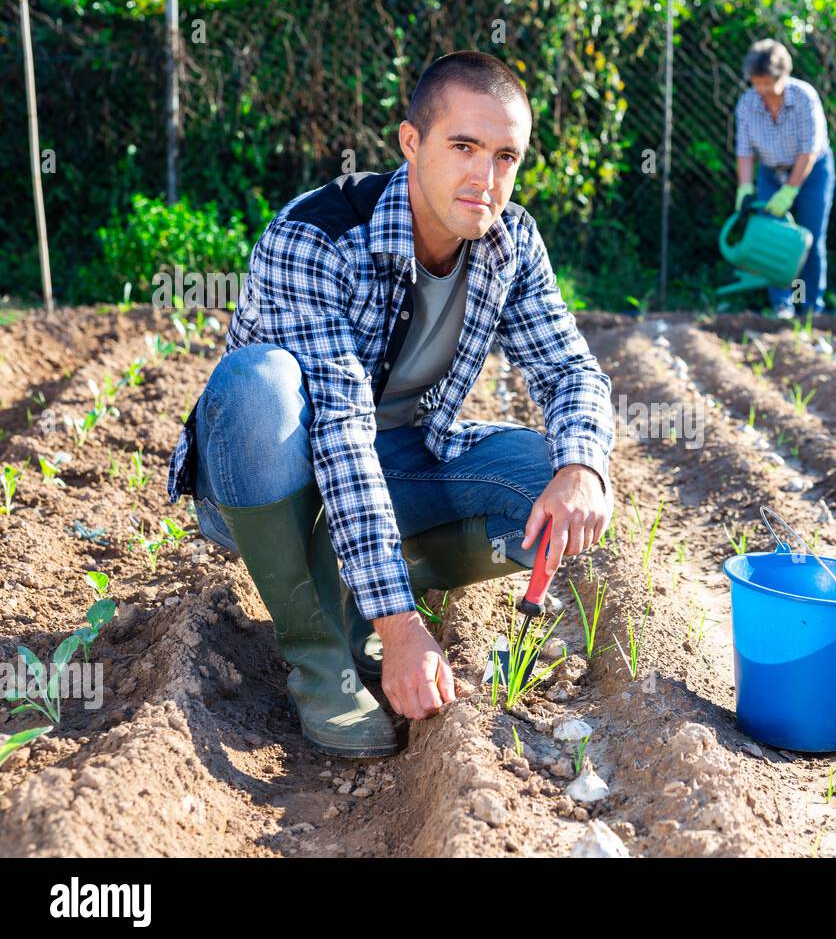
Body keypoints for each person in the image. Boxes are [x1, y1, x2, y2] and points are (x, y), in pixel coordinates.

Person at [165, 51, 615, 758]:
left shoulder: (511, 243)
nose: (485, 178)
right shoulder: (316, 236)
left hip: (392, 462)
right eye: (463, 147)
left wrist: (582, 468)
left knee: (548, 488)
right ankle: (319, 660)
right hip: (271, 477)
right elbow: (339, 436)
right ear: (412, 144)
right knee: (257, 381)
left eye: (506, 157)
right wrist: (402, 626)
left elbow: (569, 369)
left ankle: (349, 594)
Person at [732, 39, 836, 321]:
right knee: (772, 238)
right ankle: (782, 305)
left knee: (810, 238)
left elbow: (809, 149)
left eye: (766, 82)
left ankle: (813, 306)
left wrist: (790, 191)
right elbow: (744, 151)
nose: (762, 89)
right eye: (756, 82)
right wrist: (745, 187)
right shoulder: (748, 103)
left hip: (811, 172)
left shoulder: (804, 97)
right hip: (770, 172)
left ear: (782, 75)